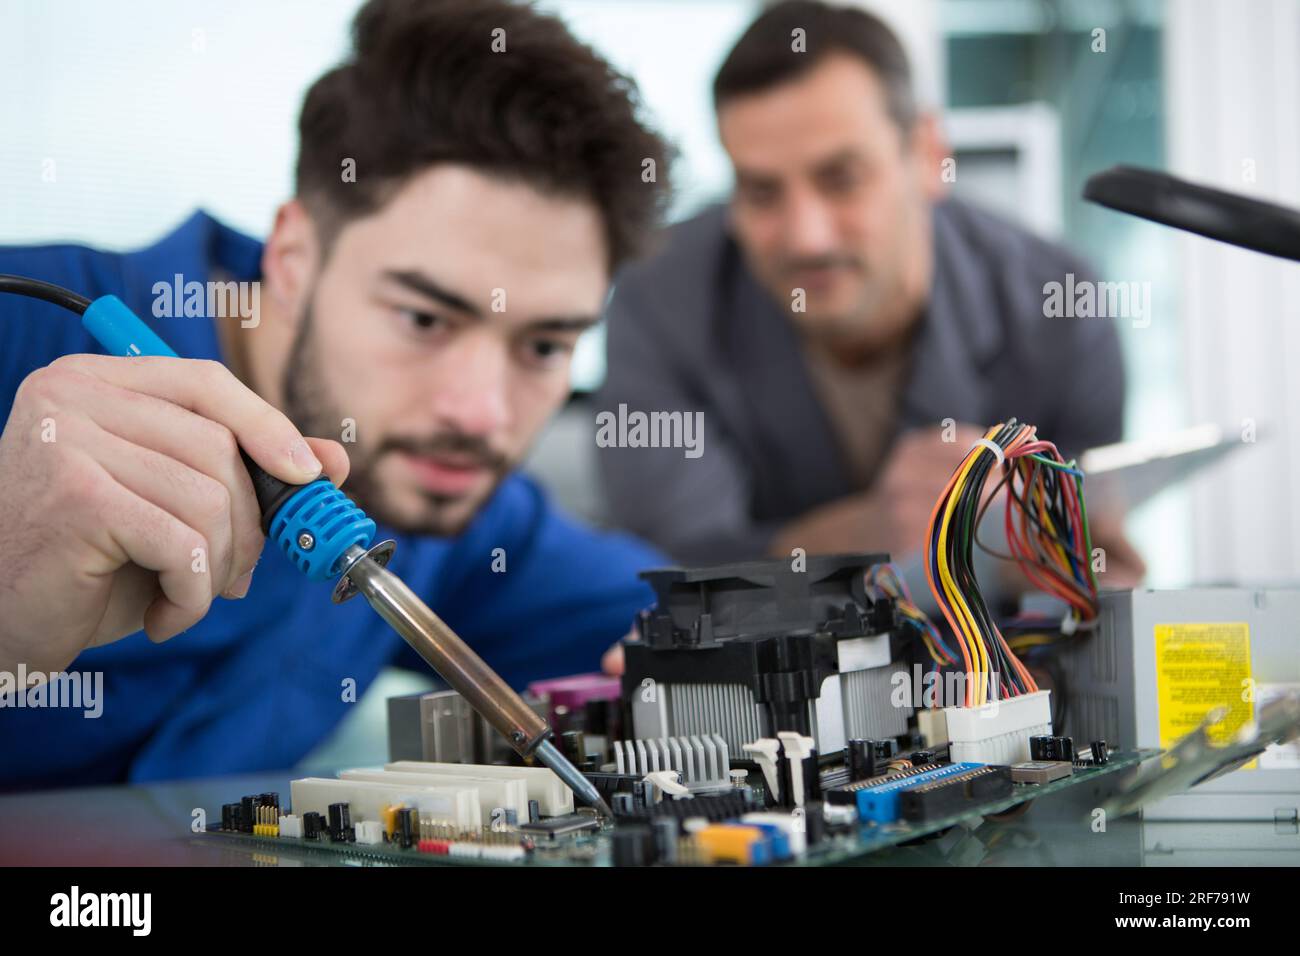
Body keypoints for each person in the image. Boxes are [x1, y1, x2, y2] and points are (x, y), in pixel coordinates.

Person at [0, 0, 671, 789]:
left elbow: (677, 614)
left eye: (546, 345)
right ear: (291, 257)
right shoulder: (22, 327)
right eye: (424, 317)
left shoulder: (449, 506)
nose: (481, 413)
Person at [596, 0, 1144, 589]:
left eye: (842, 179)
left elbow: (1093, 547)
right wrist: (877, 530)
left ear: (930, 156)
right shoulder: (658, 298)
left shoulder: (1060, 305)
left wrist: (1077, 568)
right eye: (760, 191)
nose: (806, 236)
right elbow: (674, 566)